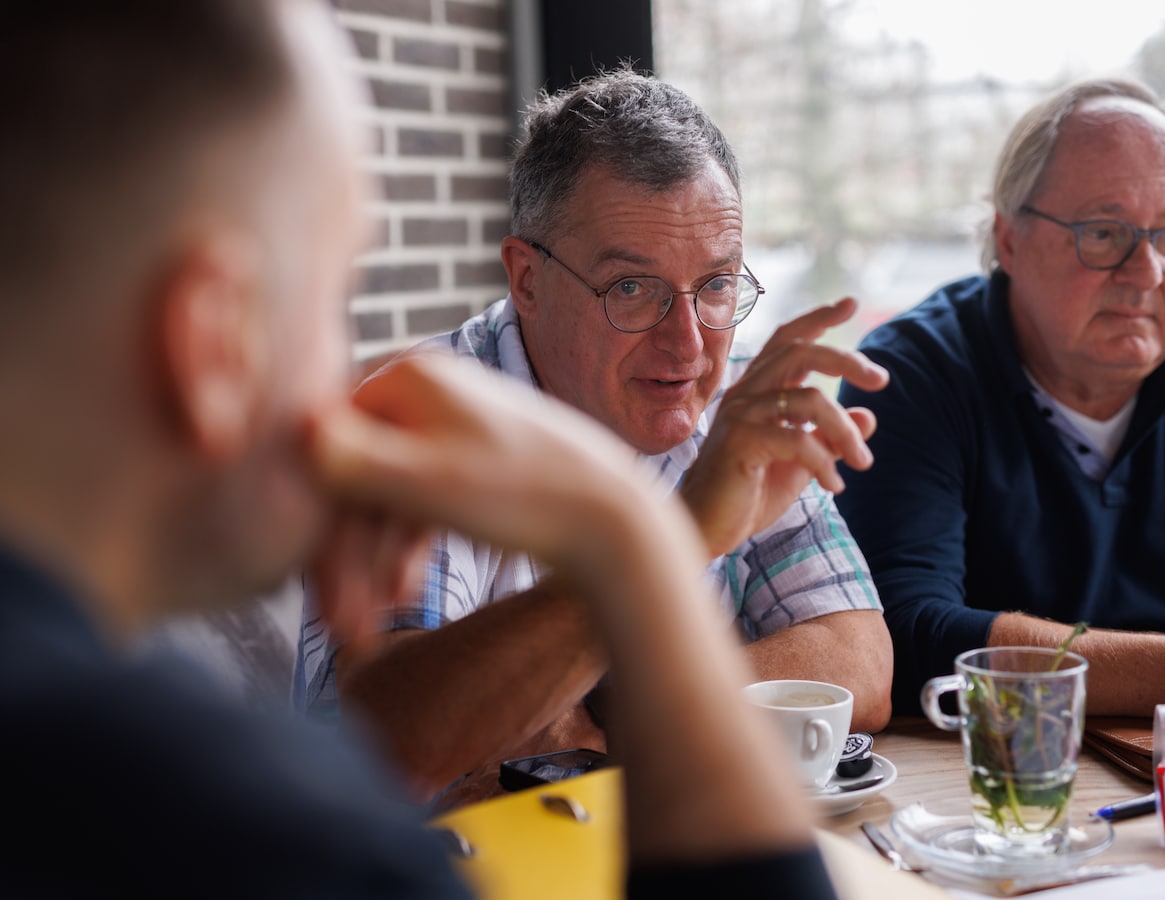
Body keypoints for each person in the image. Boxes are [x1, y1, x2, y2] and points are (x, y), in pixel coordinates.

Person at [0, 1, 841, 895]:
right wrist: (633, 547)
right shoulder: (228, 827)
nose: (356, 376)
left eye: (715, 286)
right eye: (334, 296)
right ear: (214, 343)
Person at [298, 67, 894, 799]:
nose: (689, 345)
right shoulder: (423, 419)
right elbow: (393, 743)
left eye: (716, 285)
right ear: (526, 280)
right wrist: (674, 539)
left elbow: (858, 667)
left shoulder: (734, 403)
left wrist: (604, 709)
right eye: (631, 289)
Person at [837, 77, 1165, 716]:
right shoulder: (911, 370)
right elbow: (903, 633)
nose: (1146, 274)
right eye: (1104, 234)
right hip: (998, 759)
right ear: (1009, 240)